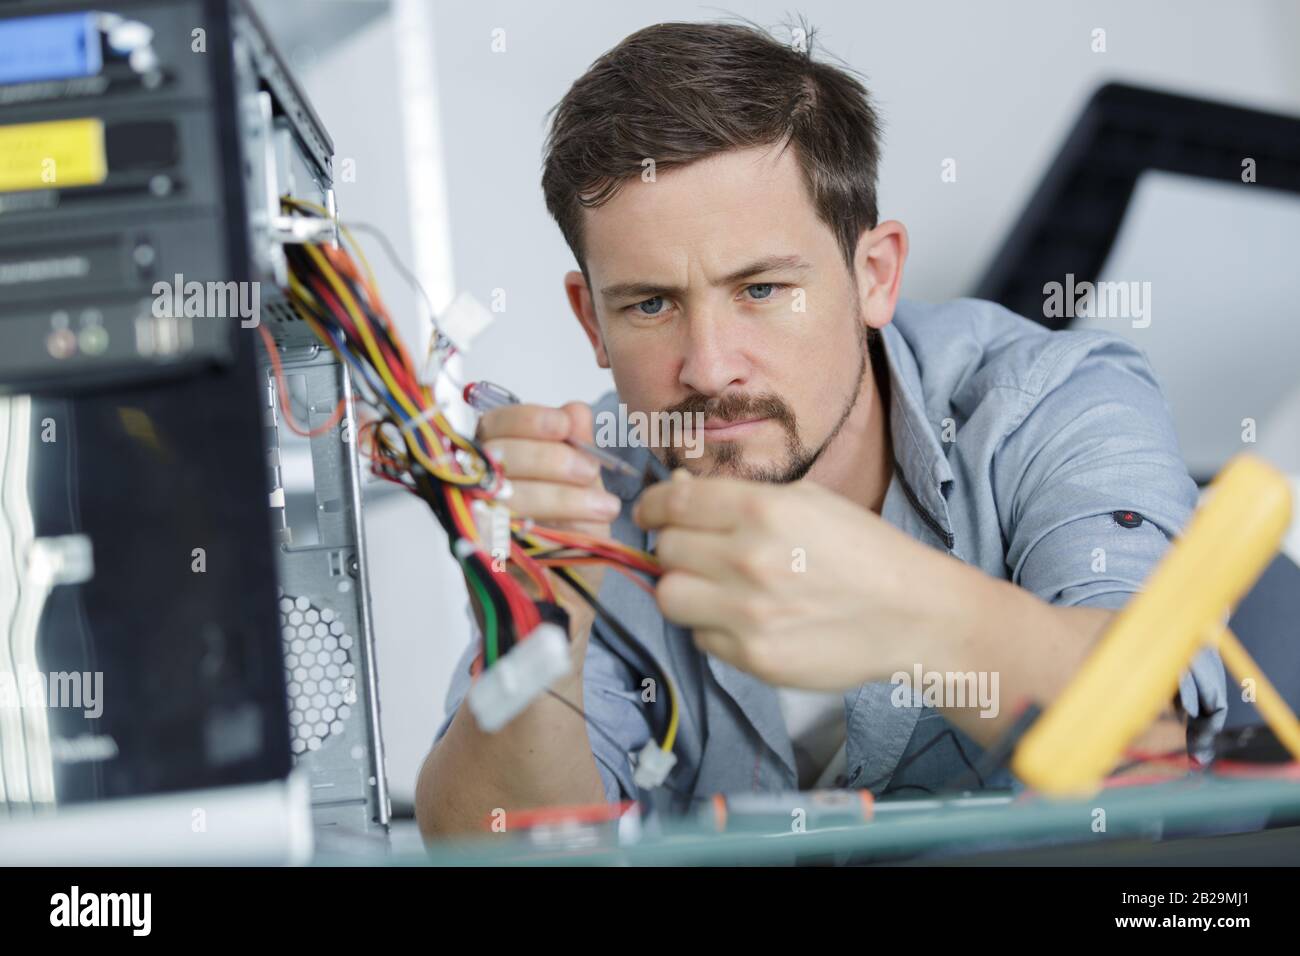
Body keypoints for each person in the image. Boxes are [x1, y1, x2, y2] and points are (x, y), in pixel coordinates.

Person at [415, 21, 1225, 837]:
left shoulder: (1052, 404)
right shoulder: (582, 497)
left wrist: (913, 612)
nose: (708, 366)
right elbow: (487, 840)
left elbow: (1153, 741)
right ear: (592, 321)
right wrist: (538, 624)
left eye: (762, 289)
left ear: (874, 276)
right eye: (650, 304)